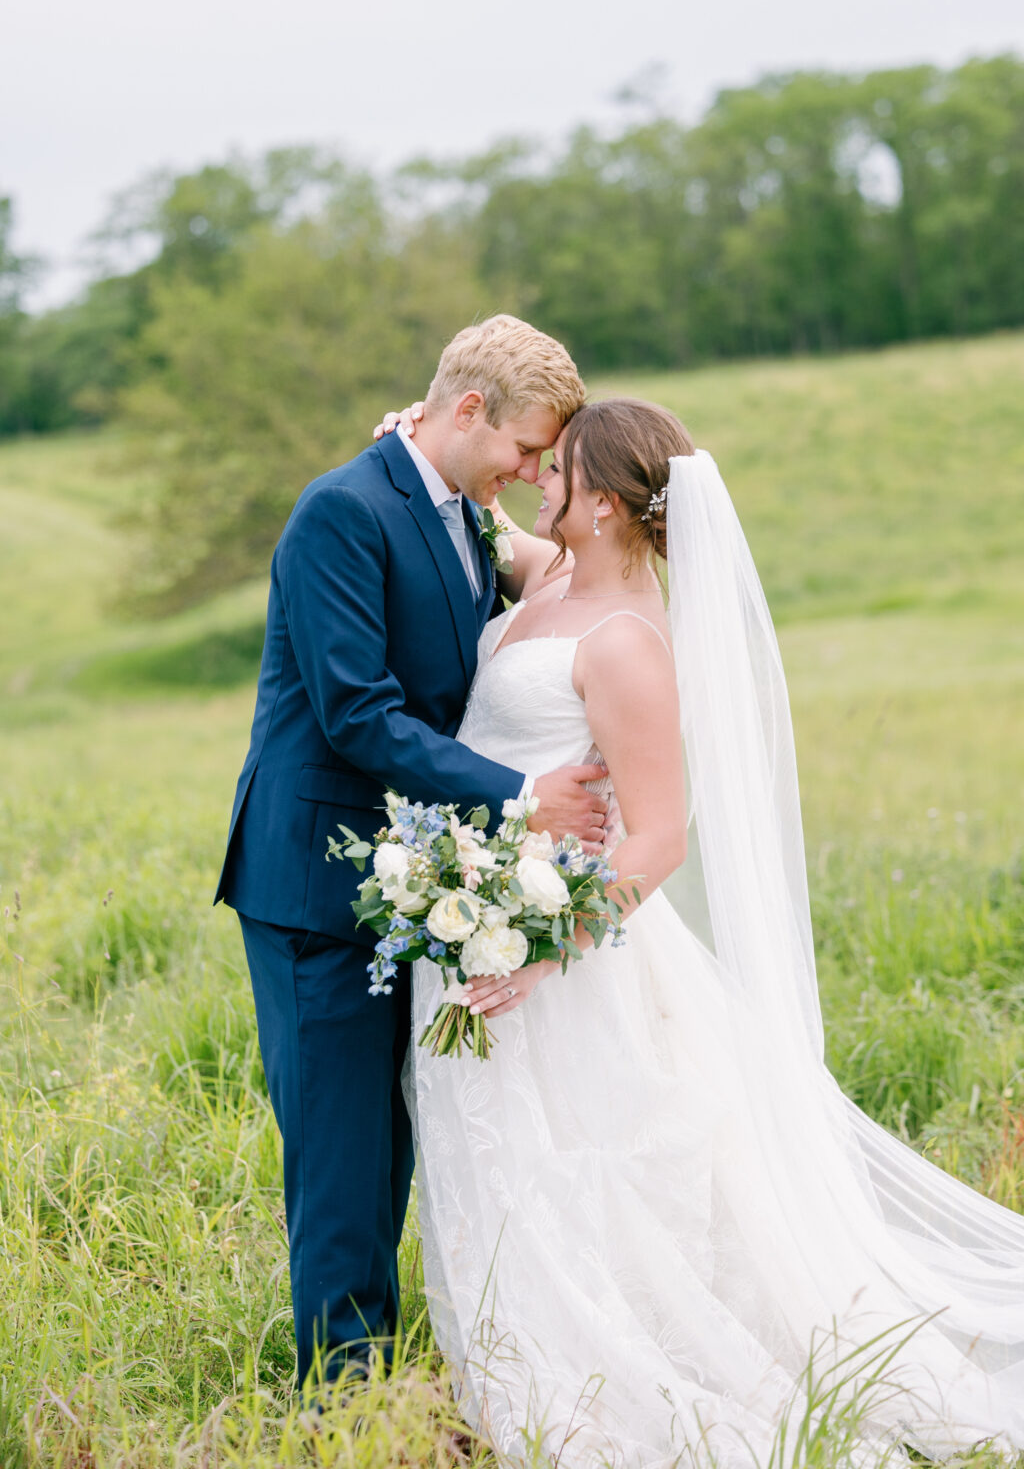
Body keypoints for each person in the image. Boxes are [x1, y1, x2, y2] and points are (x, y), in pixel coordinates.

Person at [388, 397, 1024, 1465]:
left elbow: (658, 840)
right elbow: (473, 519)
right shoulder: (552, 578)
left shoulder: (628, 639)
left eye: (559, 472)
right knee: (504, 1170)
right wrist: (405, 446)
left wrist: (539, 949)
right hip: (483, 921)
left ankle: (594, 1386)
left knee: (589, 1179)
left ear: (602, 501)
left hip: (562, 962)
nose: (538, 479)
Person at [214, 316, 612, 1388]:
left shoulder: (459, 511)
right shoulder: (341, 509)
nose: (531, 474)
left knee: (390, 1144)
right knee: (342, 1159)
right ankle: (345, 1408)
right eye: (527, 449)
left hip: (414, 886)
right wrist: (524, 798)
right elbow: (357, 714)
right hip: (314, 877)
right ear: (468, 408)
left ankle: (377, 1375)